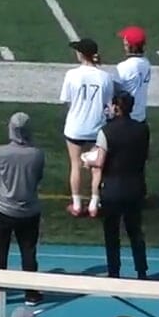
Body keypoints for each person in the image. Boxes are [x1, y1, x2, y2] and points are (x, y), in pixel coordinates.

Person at [0, 112, 45, 307]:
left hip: (3, 209)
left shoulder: (0, 152)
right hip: (29, 210)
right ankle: (31, 292)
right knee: (29, 252)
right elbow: (38, 176)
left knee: (0, 252)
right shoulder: (37, 154)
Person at [94, 89, 150, 280]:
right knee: (135, 232)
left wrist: (89, 161)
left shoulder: (106, 131)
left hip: (112, 189)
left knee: (112, 233)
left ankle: (114, 272)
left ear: (116, 107)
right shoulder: (143, 129)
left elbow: (100, 162)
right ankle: (142, 271)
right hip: (135, 186)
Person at [60, 37, 117, 217]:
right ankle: (94, 203)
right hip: (97, 127)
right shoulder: (105, 77)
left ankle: (77, 204)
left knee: (75, 165)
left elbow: (66, 100)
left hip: (75, 126)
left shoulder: (71, 74)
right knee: (97, 167)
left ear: (81, 54)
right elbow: (108, 103)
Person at [113, 26, 153, 124]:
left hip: (126, 117)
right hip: (140, 116)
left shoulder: (124, 66)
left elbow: (114, 90)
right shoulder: (146, 63)